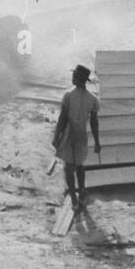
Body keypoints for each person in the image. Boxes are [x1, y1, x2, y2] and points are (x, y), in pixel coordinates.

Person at [53, 64, 101, 212]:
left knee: (70, 167)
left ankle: (75, 197)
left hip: (70, 134)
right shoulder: (92, 99)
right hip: (80, 136)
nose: (72, 78)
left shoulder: (68, 95)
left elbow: (62, 119)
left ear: (79, 79)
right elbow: (93, 123)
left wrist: (57, 136)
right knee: (79, 166)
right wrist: (97, 142)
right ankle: (80, 194)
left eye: (74, 76)